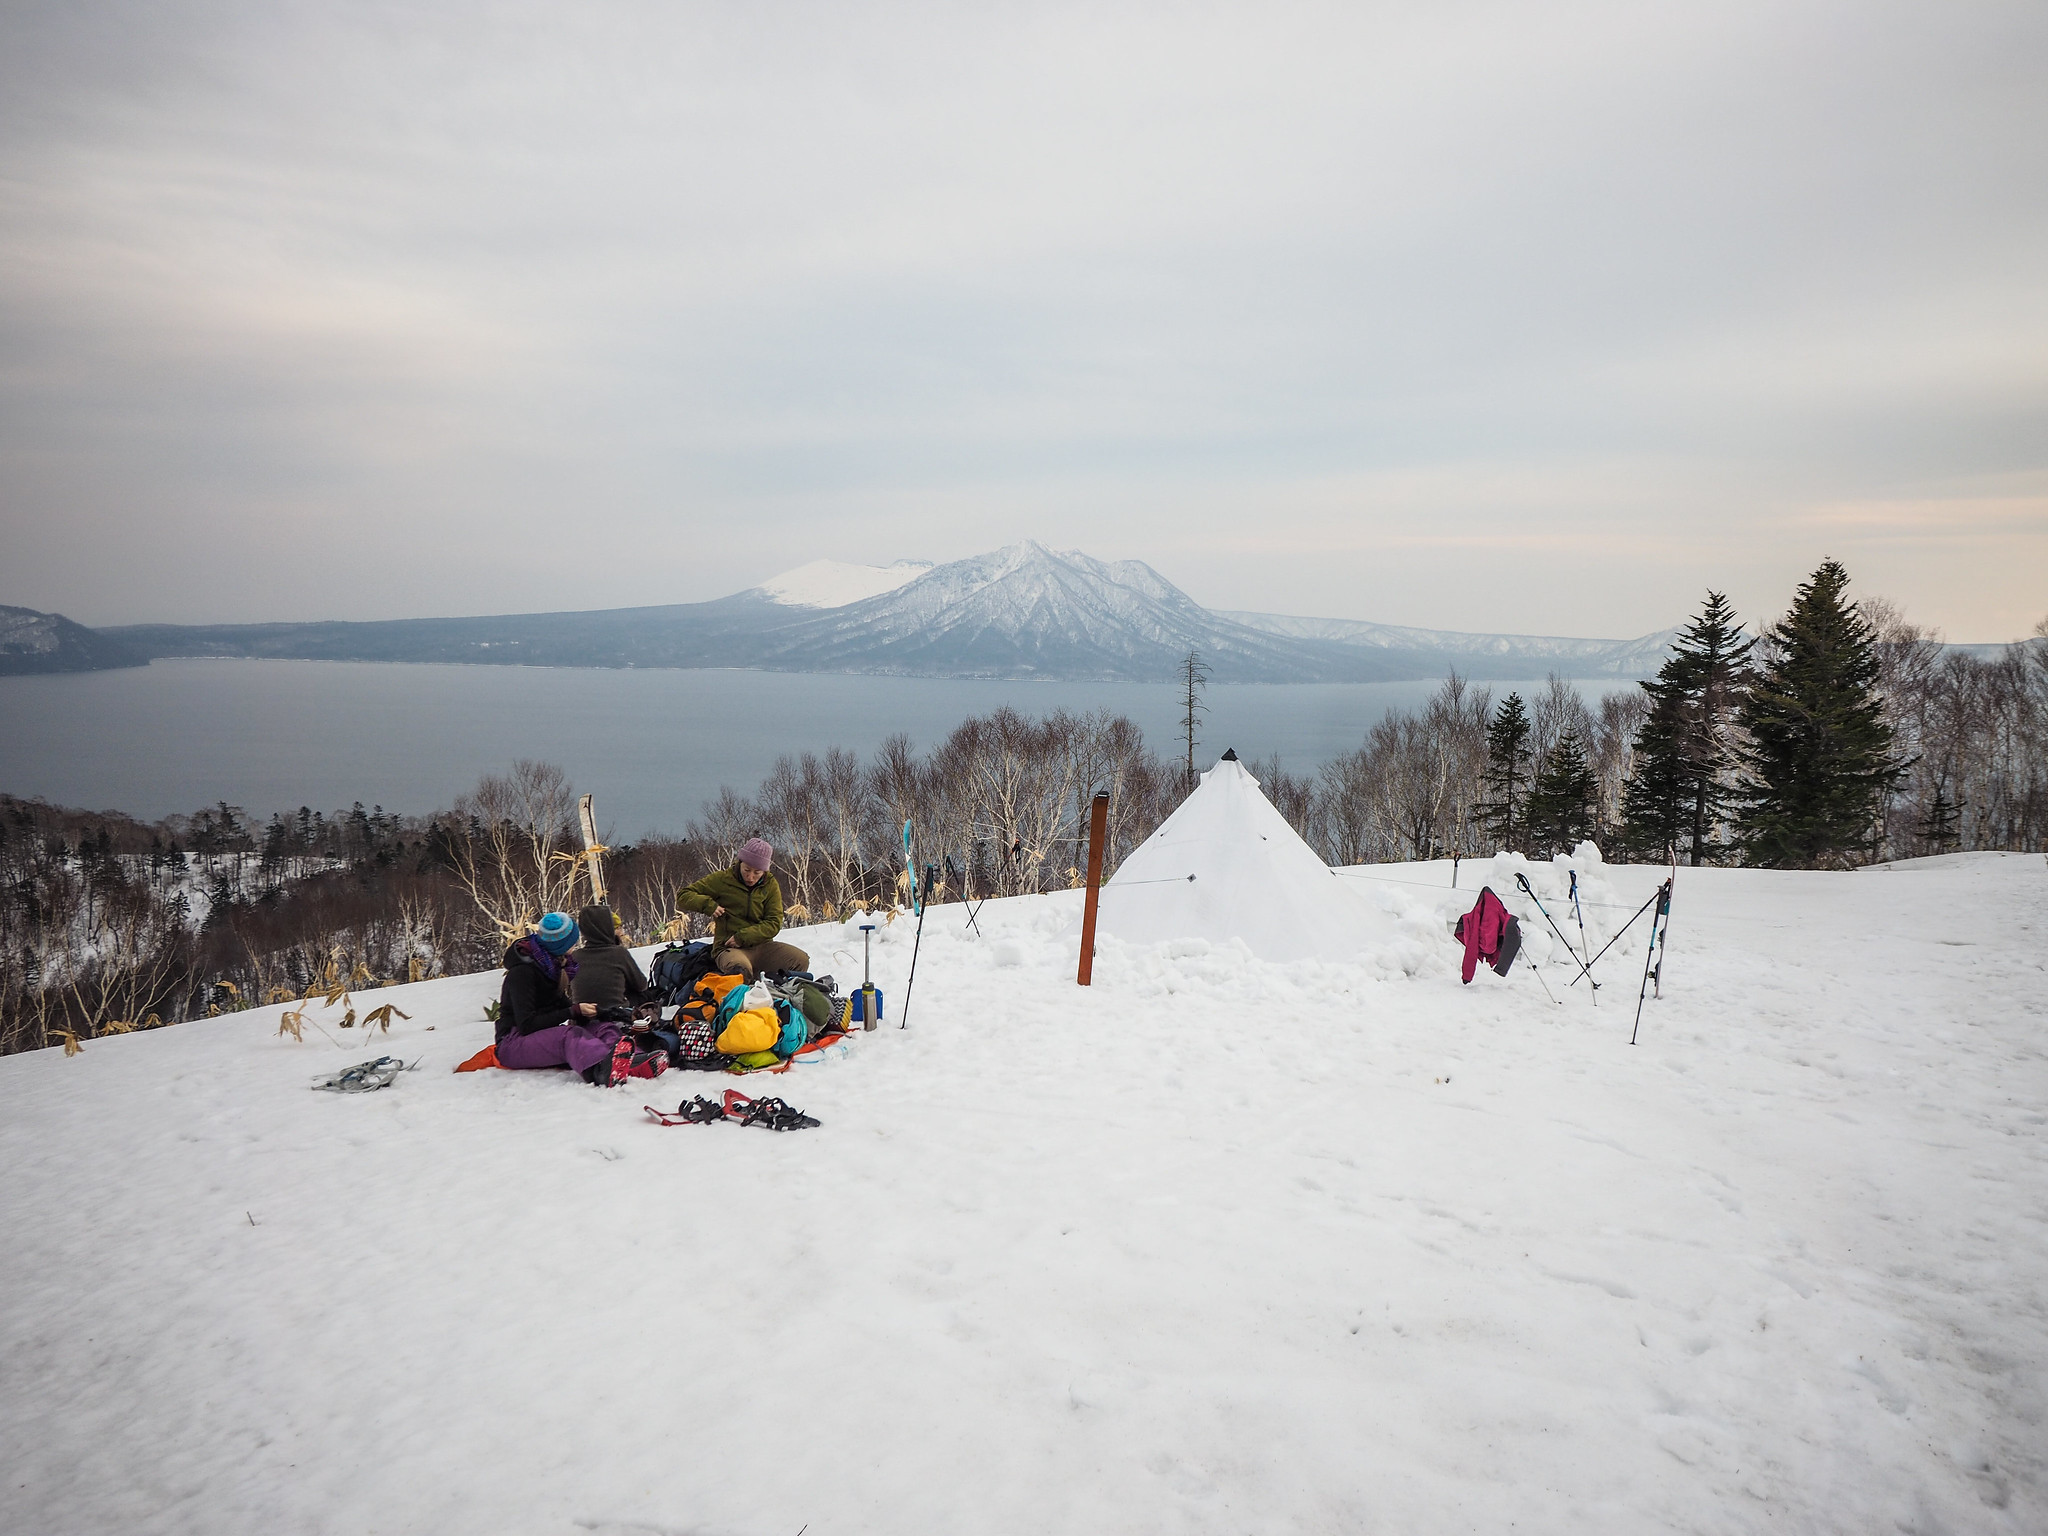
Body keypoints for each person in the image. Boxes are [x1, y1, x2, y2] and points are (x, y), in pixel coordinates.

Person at [495, 911, 664, 1084]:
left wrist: (597, 1013)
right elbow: (527, 1024)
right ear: (562, 945)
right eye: (572, 942)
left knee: (602, 1027)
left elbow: (562, 1005)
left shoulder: (550, 967)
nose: (575, 946)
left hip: (539, 1036)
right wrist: (572, 1011)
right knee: (569, 1035)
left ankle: (636, 1059)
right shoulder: (522, 973)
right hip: (512, 1042)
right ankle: (602, 1069)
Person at [676, 837, 810, 980]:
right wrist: (709, 906)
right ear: (740, 863)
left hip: (762, 946)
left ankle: (783, 998)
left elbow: (774, 922)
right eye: (747, 870)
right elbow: (683, 896)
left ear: (764, 870)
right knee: (740, 970)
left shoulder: (770, 885)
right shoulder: (722, 879)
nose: (750, 877)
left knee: (800, 961)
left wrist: (743, 937)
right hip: (729, 948)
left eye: (757, 872)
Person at [569, 903, 659, 1014]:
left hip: (583, 1016)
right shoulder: (619, 953)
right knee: (644, 995)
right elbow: (641, 984)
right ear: (608, 927)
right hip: (615, 1014)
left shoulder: (575, 956)